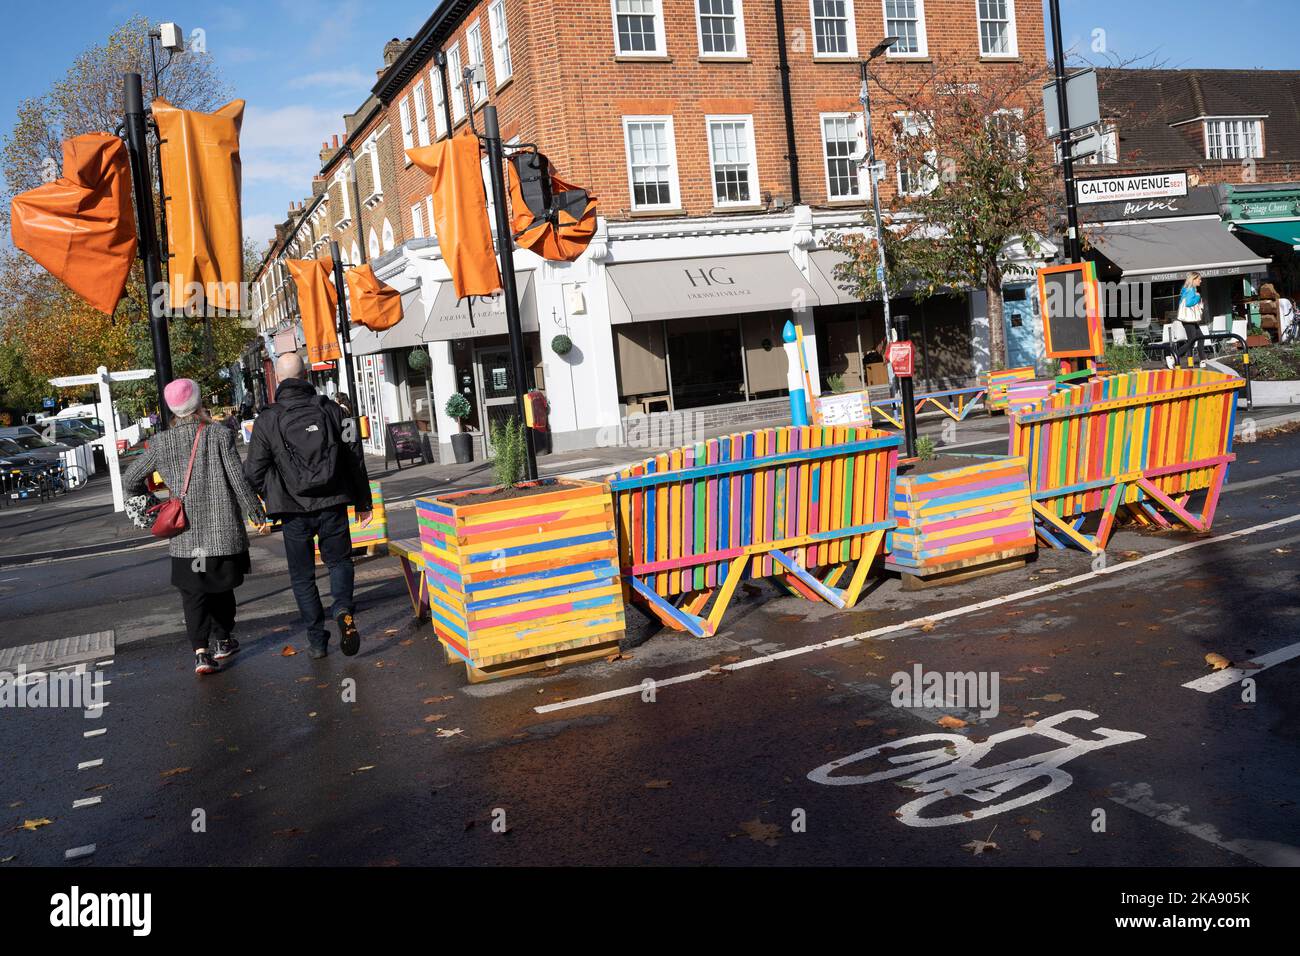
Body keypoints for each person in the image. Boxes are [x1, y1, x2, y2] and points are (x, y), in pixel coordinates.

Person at [123, 379, 267, 675]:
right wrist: (255, 510)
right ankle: (223, 640)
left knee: (193, 592)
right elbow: (237, 478)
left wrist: (154, 504)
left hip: (185, 534)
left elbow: (130, 479)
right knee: (221, 588)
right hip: (220, 530)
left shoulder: (161, 442)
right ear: (198, 403)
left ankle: (201, 652)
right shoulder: (219, 434)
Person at [245, 354, 372, 659]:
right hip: (333, 501)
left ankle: (317, 641)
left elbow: (253, 471)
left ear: (278, 378)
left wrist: (271, 494)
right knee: (339, 562)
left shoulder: (267, 420)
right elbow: (354, 455)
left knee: (303, 577)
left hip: (292, 509)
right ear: (306, 375)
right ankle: (343, 609)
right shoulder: (334, 410)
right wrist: (363, 501)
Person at [1170, 272, 1206, 368]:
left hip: (1190, 320)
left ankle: (1202, 359)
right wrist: (1198, 297)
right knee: (1192, 341)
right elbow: (1189, 303)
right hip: (1188, 320)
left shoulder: (1189, 290)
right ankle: (1173, 356)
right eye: (1199, 279)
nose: (1200, 281)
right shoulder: (1190, 290)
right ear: (1193, 280)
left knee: (1201, 337)